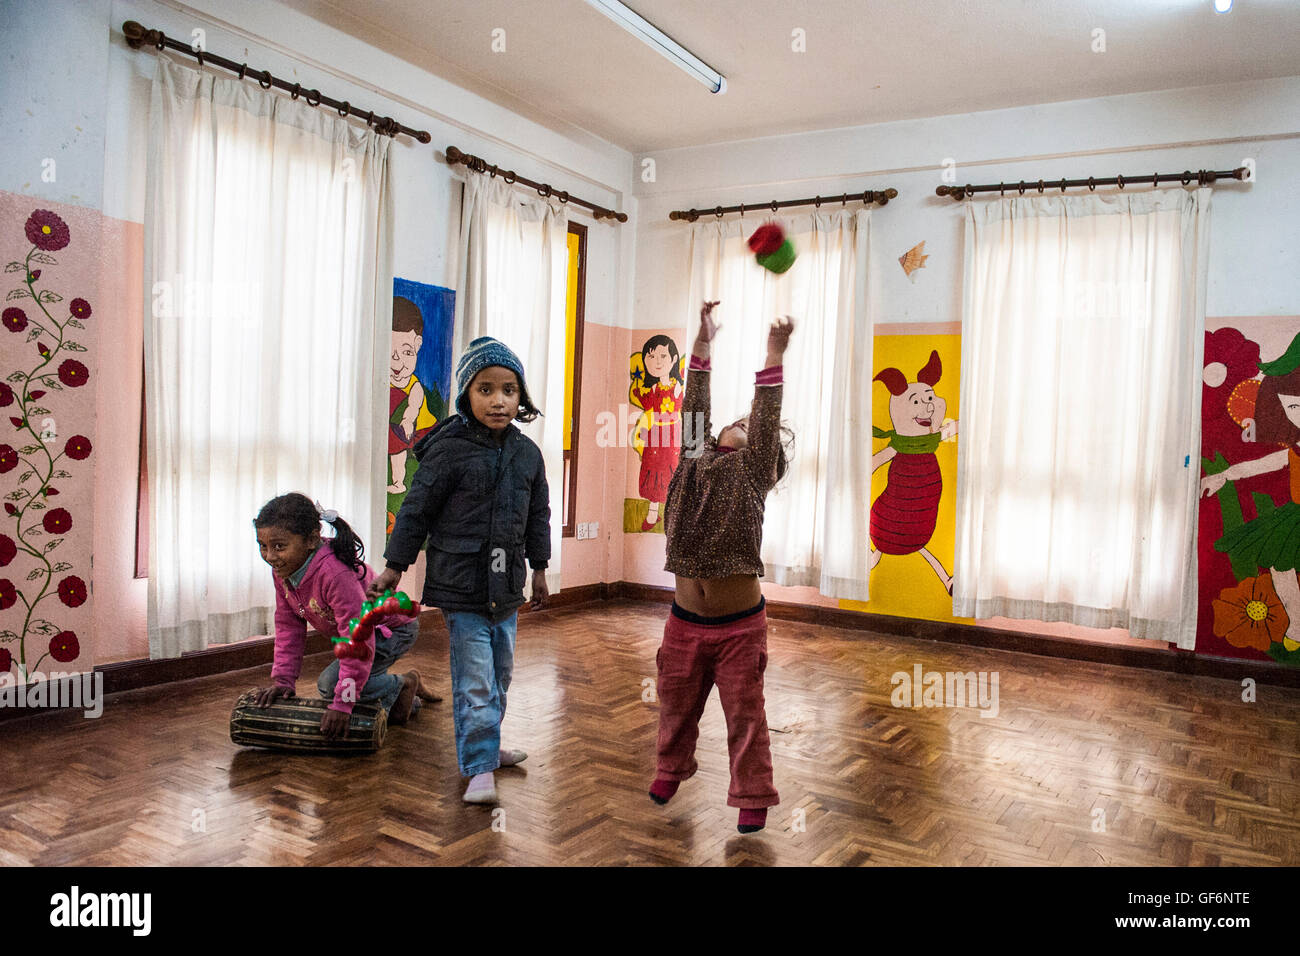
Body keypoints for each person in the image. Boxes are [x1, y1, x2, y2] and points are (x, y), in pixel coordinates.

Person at [371, 336, 551, 804]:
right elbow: (415, 512)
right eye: (486, 389)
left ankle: (488, 747)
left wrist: (541, 568)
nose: (499, 400)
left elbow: (538, 516)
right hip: (461, 584)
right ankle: (478, 766)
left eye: (509, 390)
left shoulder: (528, 454)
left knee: (501, 674)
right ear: (466, 395)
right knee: (475, 678)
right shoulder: (447, 450)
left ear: (521, 396)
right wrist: (394, 566)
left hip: (507, 585)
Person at [650, 300, 795, 833]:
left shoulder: (752, 473)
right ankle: (670, 766)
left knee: (745, 716)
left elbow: (766, 416)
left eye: (752, 427)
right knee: (674, 703)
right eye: (736, 421)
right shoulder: (692, 457)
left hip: (739, 629)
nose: (742, 424)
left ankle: (752, 794)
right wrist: (703, 345)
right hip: (685, 623)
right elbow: (697, 405)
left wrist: (773, 354)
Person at [251, 493, 437, 738]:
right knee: (342, 688)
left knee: (330, 686)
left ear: (311, 540)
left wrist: (343, 704)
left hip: (395, 628)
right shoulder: (284, 571)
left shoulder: (335, 575)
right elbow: (288, 628)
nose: (270, 556)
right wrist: (283, 681)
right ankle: (403, 696)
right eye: (263, 546)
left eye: (279, 547)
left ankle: (403, 684)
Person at [1201, 331, 1300, 651]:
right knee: (1279, 564)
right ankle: (1296, 623)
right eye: (1293, 406)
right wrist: (1225, 476)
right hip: (1294, 515)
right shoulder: (1294, 448)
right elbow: (1267, 464)